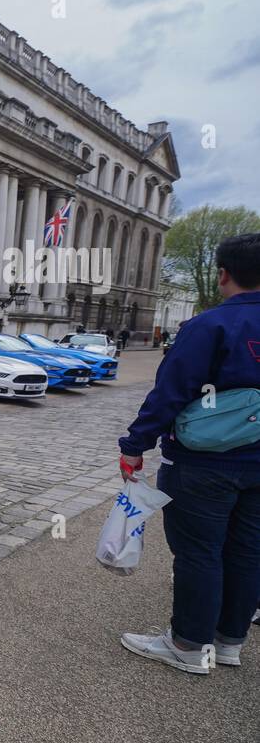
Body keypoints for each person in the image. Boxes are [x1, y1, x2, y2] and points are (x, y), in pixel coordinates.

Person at [118, 233, 260, 674]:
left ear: (223, 274)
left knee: (200, 551)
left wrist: (135, 445)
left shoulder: (210, 326)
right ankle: (229, 642)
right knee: (248, 550)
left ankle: (188, 645)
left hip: (205, 462)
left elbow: (170, 393)